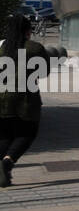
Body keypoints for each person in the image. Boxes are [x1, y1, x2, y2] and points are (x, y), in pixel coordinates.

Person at [0, 16, 49, 187]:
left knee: (6, 135)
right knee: (27, 133)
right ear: (28, 30)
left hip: (2, 98)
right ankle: (7, 162)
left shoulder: (1, 47)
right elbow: (44, 72)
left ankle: (2, 168)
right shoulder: (35, 48)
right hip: (26, 99)